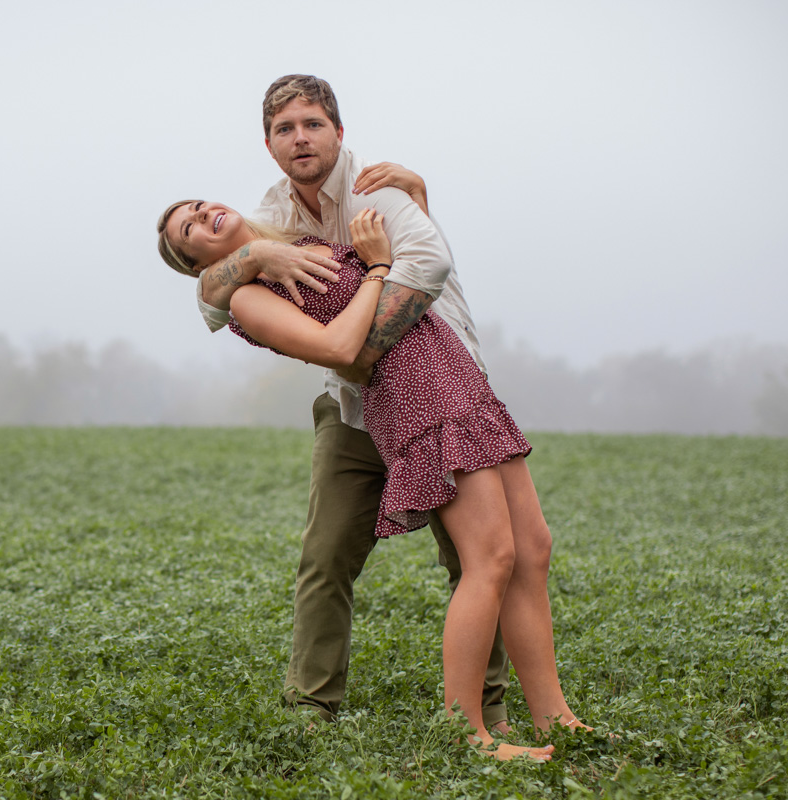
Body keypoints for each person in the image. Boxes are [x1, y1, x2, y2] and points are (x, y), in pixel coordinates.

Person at [158, 200, 590, 760]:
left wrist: (413, 194)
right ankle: (469, 734)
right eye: (187, 229)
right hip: (415, 397)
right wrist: (379, 268)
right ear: (197, 262)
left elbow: (425, 251)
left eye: (197, 205)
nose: (201, 215)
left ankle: (554, 717)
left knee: (533, 549)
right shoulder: (246, 295)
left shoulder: (290, 230)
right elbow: (340, 348)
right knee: (491, 559)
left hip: (457, 375)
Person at [177, 74, 514, 735]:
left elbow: (428, 263)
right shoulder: (269, 212)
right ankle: (311, 709)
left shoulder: (378, 187)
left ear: (338, 130)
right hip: (354, 408)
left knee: (476, 557)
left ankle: (488, 711)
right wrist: (256, 252)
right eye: (284, 129)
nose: (299, 138)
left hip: (439, 391)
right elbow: (211, 299)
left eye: (311, 124)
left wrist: (359, 351)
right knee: (325, 554)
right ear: (268, 144)